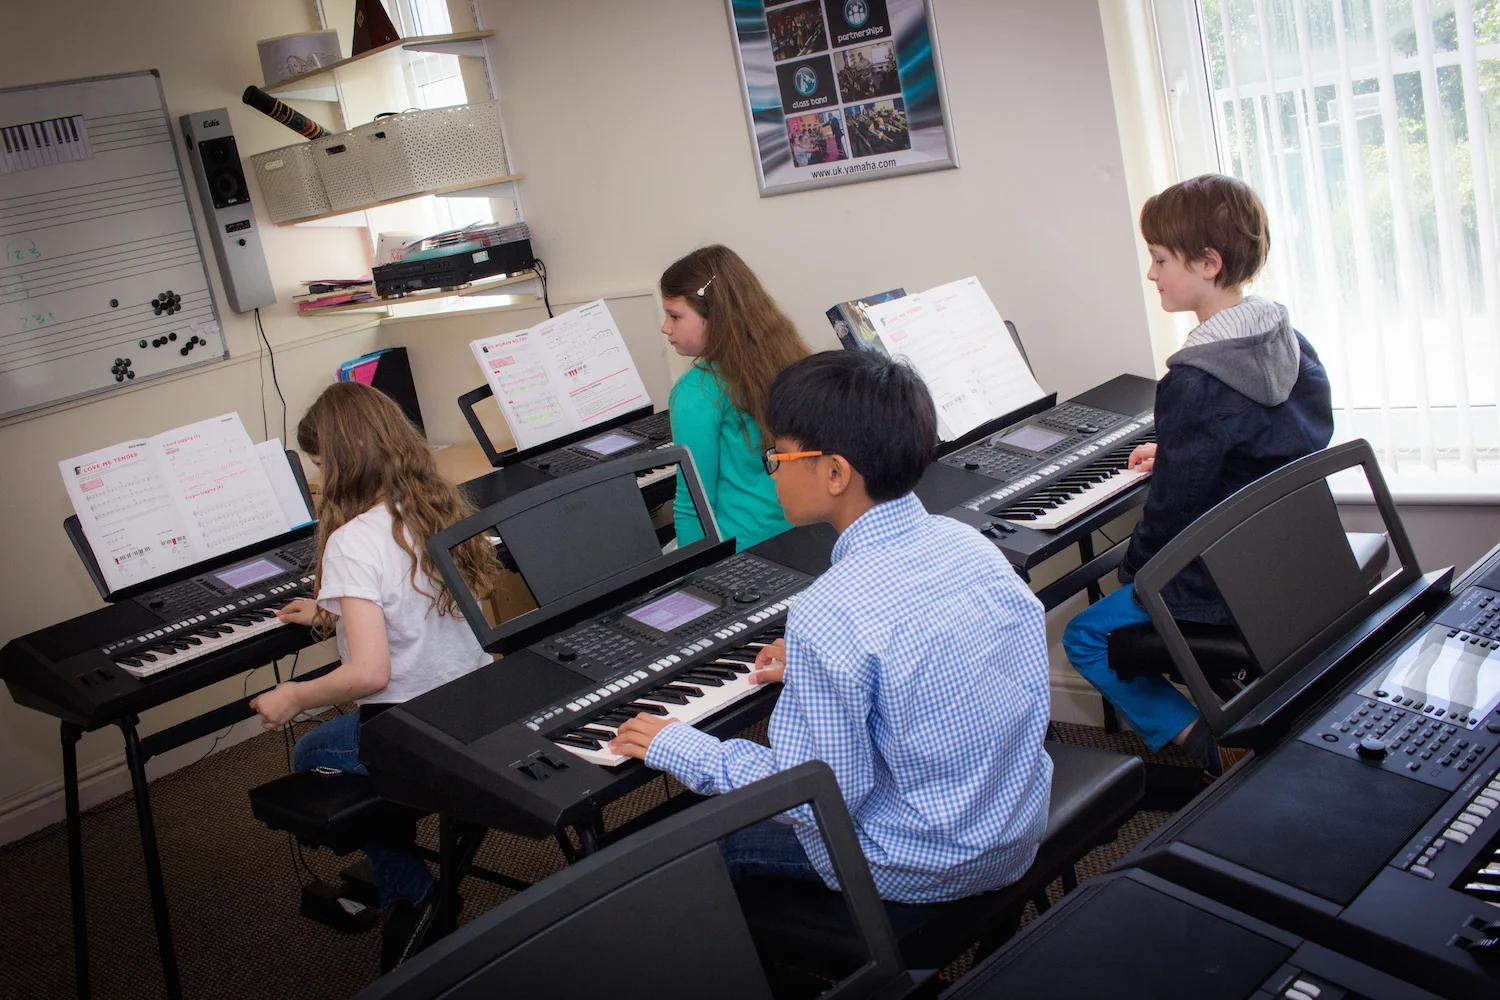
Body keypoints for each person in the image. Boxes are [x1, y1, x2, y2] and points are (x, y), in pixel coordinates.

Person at [609, 350, 1054, 903]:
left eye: (779, 455)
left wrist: (683, 748)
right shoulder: (970, 545)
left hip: (913, 863)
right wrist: (823, 672)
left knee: (670, 853)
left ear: (836, 473)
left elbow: (814, 795)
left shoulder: (830, 611)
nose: (771, 468)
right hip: (1015, 829)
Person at [1062, 173, 1334, 777]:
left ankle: (1214, 751)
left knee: (1085, 636)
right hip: (1290, 555)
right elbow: (1283, 440)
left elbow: (1172, 515)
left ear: (1208, 263)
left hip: (1221, 583)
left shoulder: (1193, 381)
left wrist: (1136, 579)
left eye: (1160, 259)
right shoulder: (1289, 342)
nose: (1151, 273)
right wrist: (1187, 451)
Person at [248, 380, 498, 970]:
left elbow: (368, 673)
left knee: (313, 750)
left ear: (343, 460)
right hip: (479, 702)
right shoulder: (434, 504)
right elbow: (411, 607)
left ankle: (414, 892)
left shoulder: (351, 541)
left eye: (318, 465)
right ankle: (403, 877)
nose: (317, 479)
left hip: (415, 727)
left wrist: (294, 696)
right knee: (353, 758)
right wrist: (333, 610)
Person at [660, 245, 810, 551]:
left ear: (715, 316)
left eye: (675, 316)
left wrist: (701, 576)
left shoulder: (695, 391)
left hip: (738, 550)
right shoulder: (788, 356)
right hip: (800, 532)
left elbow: (693, 505)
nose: (665, 327)